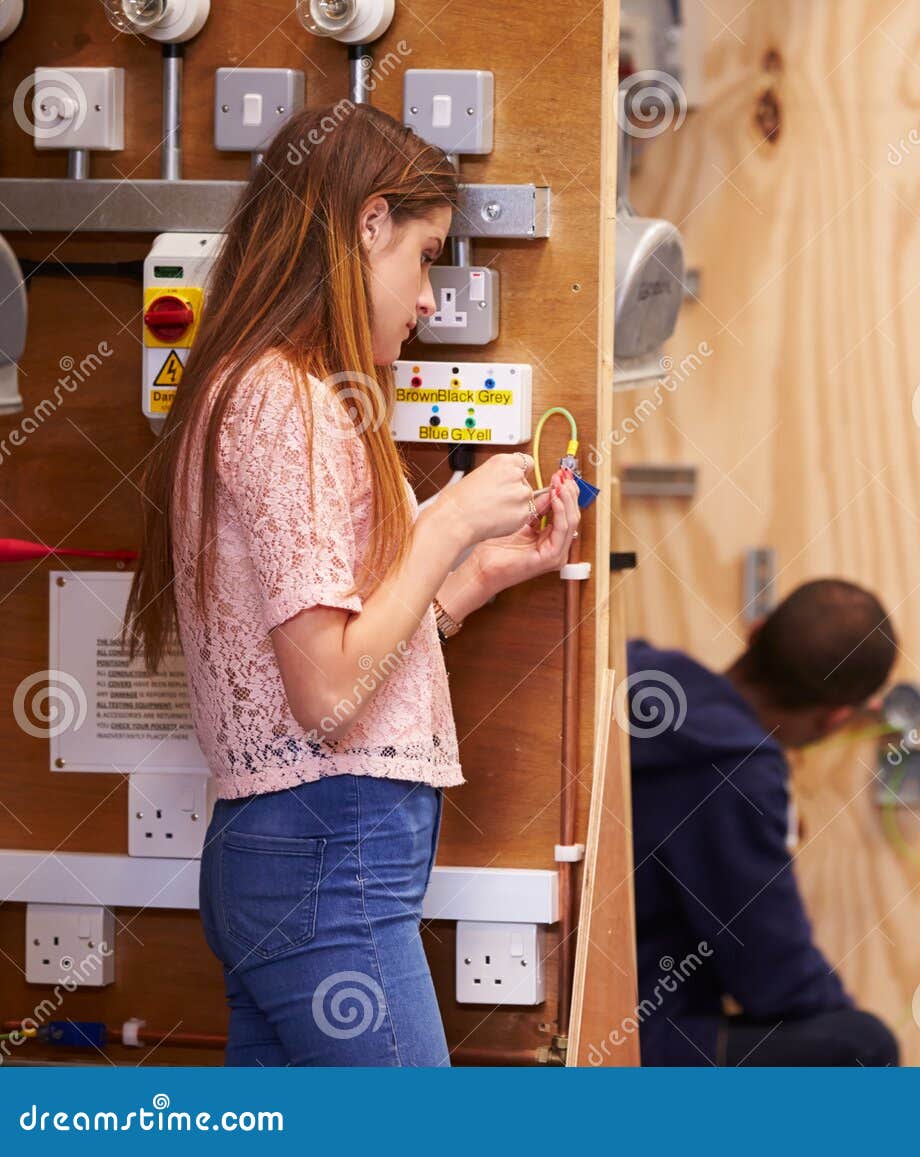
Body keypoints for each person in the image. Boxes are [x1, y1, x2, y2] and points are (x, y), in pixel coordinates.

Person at [124, 103, 582, 1066]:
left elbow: (350, 654)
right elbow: (330, 693)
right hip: (330, 861)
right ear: (367, 224)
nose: (426, 300)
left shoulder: (252, 389)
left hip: (290, 854)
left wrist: (485, 569)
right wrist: (449, 519)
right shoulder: (284, 402)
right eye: (425, 257)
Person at [627, 579, 900, 1066]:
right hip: (636, 1031)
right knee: (862, 1046)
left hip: (562, 1000)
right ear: (835, 719)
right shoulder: (739, 769)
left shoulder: (640, 669)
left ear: (754, 632)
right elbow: (773, 978)